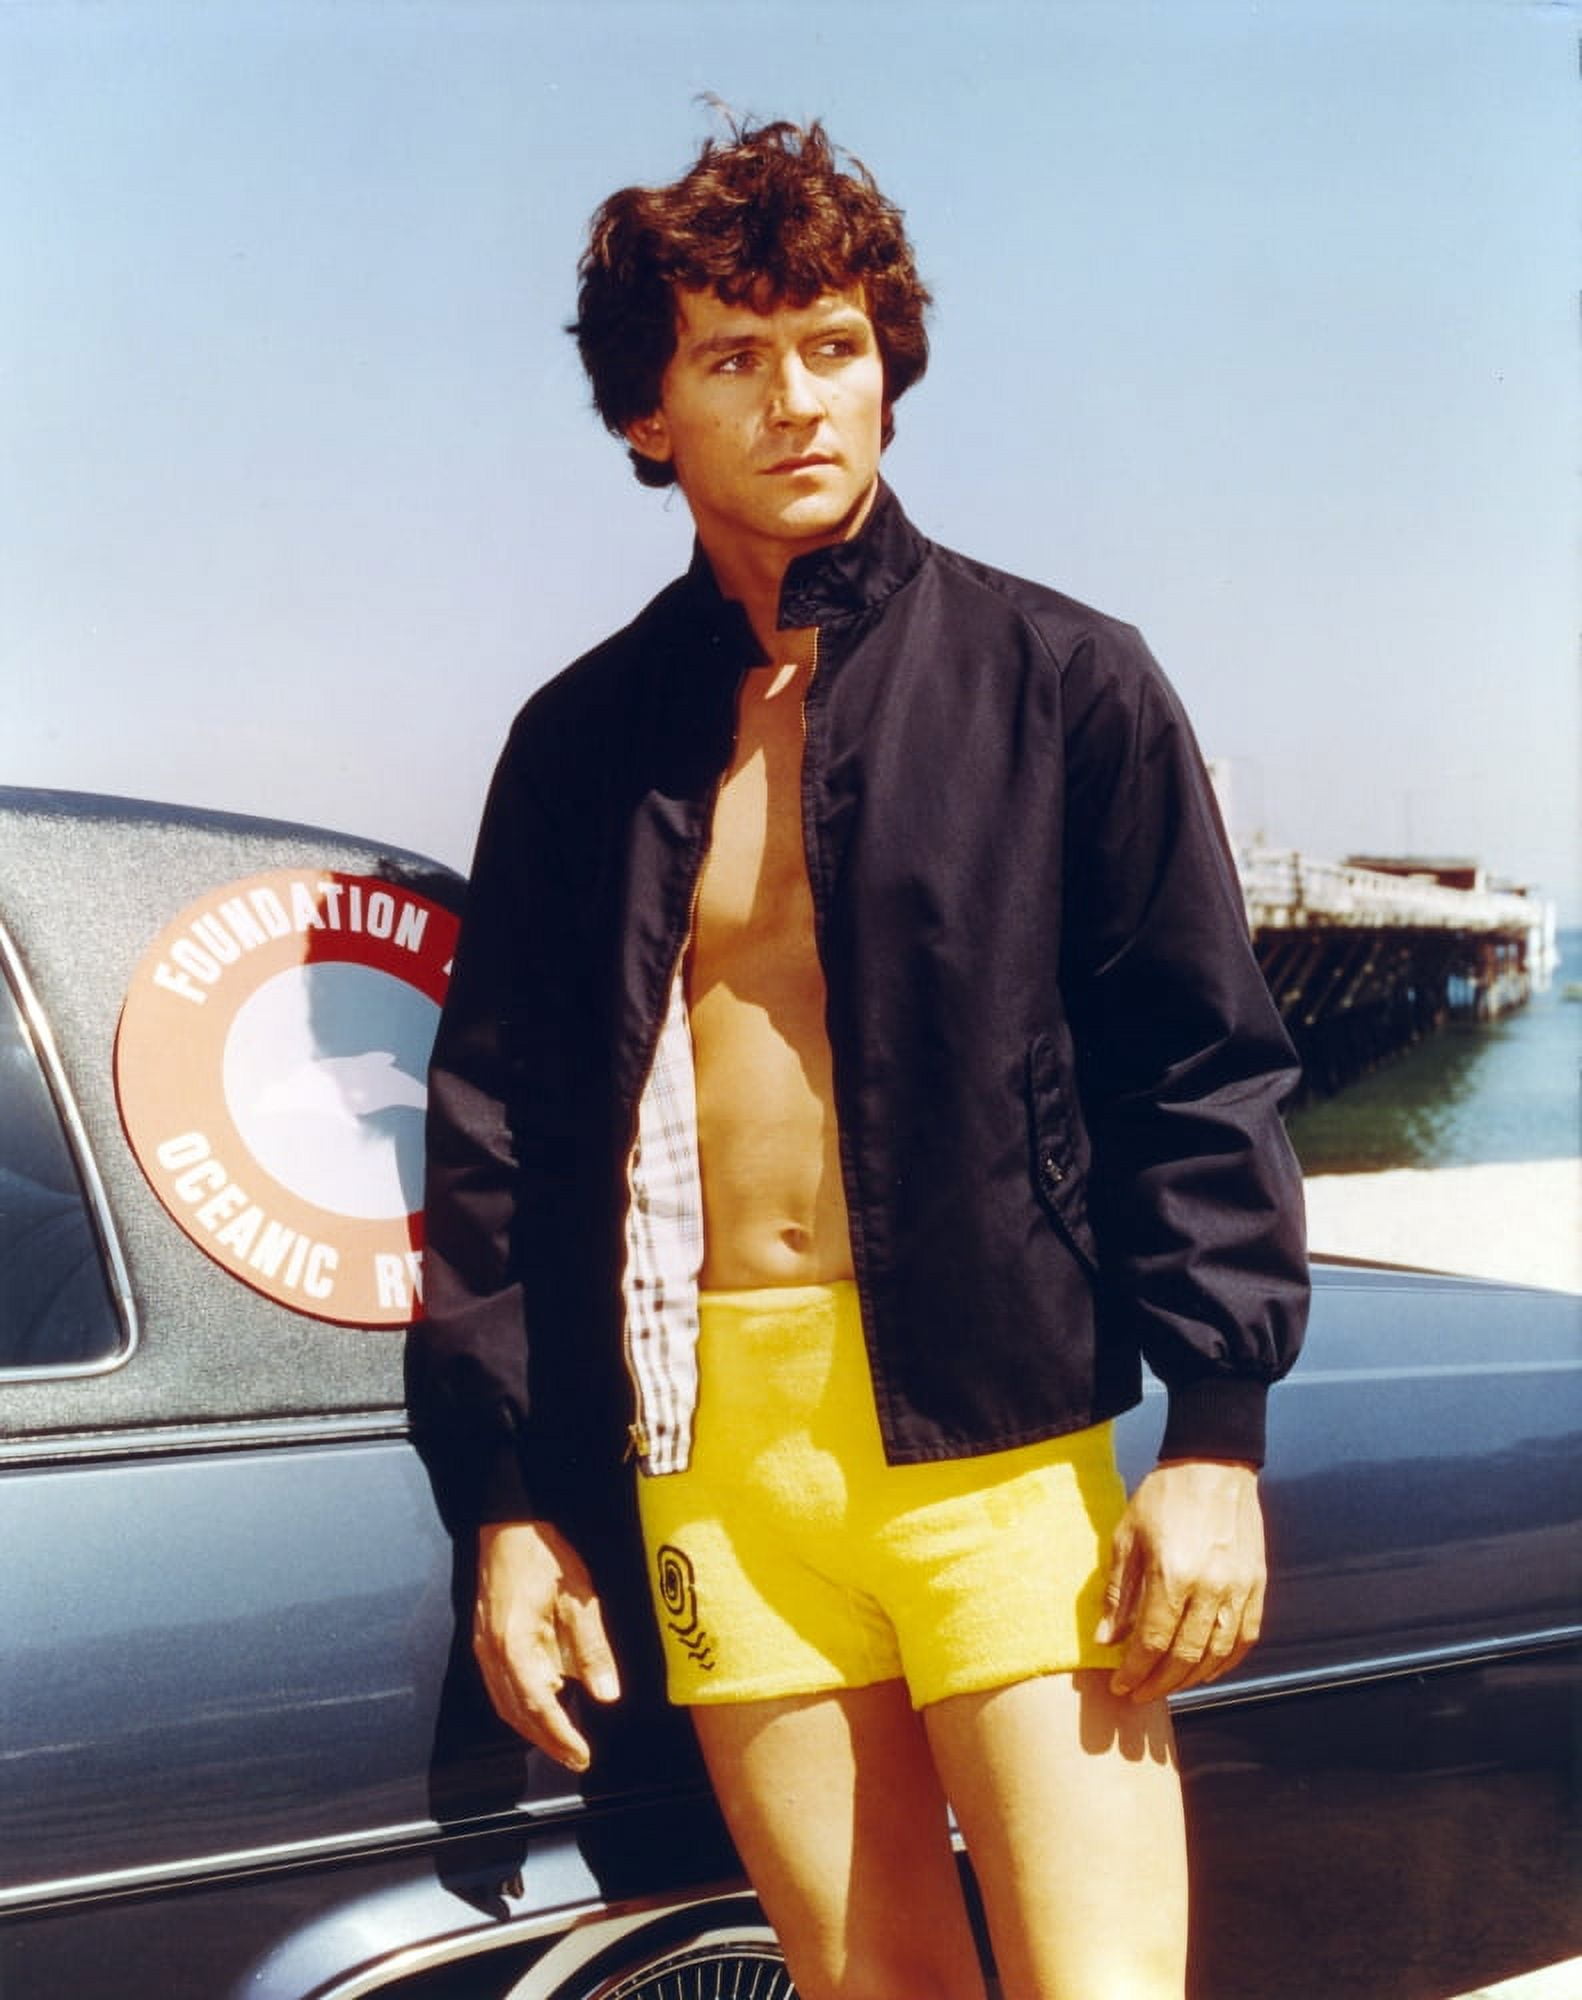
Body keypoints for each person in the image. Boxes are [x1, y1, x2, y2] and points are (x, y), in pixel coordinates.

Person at [414, 117, 1308, 2000]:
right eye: (733, 359)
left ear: (888, 365)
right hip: (717, 1461)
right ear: (646, 418)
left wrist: (1215, 1438)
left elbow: (1197, 1065)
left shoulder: (1061, 680)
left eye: (832, 344)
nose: (799, 399)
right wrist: (501, 1502)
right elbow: (496, 1136)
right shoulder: (578, 746)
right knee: (863, 1991)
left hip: (996, 1436)